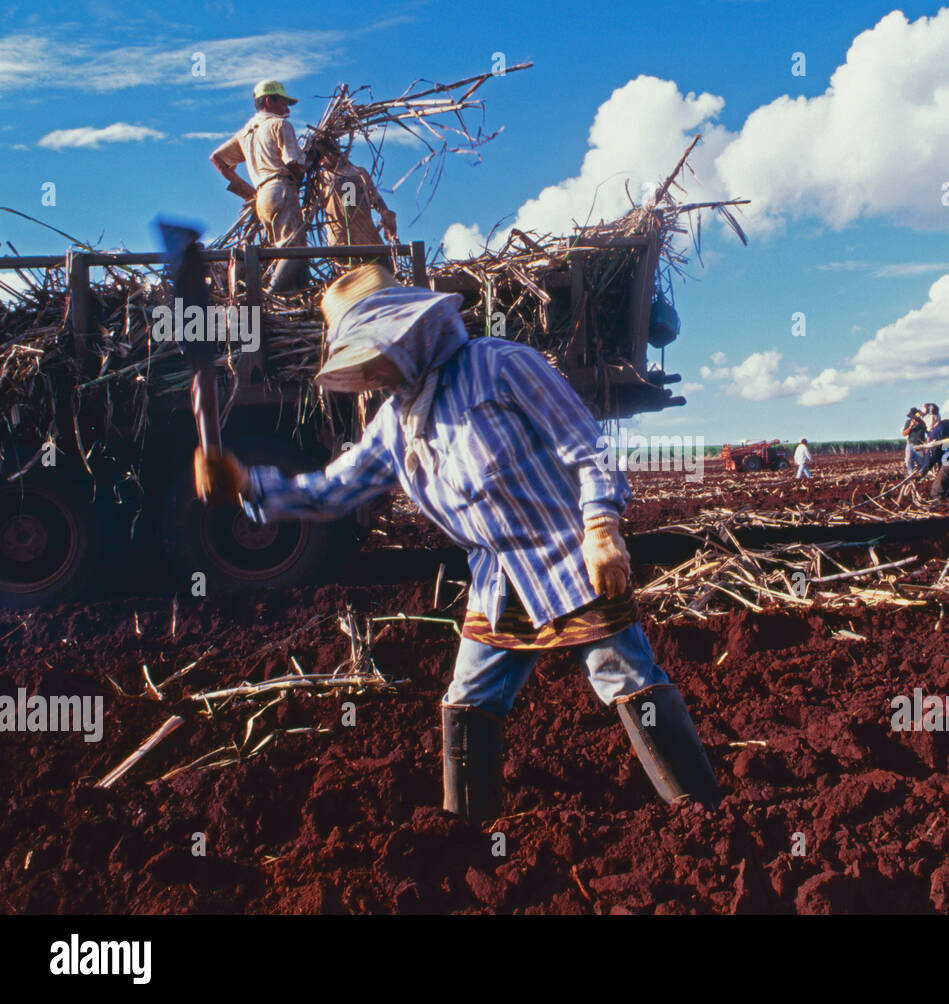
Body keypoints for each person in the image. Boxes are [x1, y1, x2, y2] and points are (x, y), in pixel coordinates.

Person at [193, 265, 720, 821]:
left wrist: (601, 528)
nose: (374, 373)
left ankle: (700, 813)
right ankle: (468, 826)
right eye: (365, 362)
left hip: (572, 559)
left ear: (411, 333)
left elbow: (585, 445)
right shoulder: (396, 423)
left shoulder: (501, 365)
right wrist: (249, 485)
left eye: (379, 353)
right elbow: (335, 489)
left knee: (625, 678)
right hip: (495, 579)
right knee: (470, 697)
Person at [210, 80, 308, 291]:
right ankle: (268, 298)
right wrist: (310, 159)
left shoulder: (246, 133)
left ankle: (297, 296)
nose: (287, 109)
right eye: (284, 102)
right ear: (268, 101)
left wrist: (249, 192)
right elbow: (295, 165)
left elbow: (217, 159)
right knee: (295, 250)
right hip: (281, 189)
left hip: (263, 198)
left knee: (285, 251)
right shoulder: (280, 125)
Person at [316, 138, 398, 262]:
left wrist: (386, 215)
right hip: (341, 241)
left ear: (331, 153)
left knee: (381, 269)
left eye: (323, 157)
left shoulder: (356, 173)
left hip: (362, 237)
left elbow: (375, 199)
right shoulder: (323, 179)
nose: (321, 163)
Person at [917, 403, 949, 500]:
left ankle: (941, 508)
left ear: (932, 418)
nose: (923, 421)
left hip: (948, 464)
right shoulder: (946, 424)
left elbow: (931, 457)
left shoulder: (935, 432)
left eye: (925, 418)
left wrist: (922, 472)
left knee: (936, 491)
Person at [901, 408, 926, 476]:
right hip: (910, 445)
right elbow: (904, 434)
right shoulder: (908, 422)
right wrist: (911, 426)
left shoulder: (922, 423)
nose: (913, 418)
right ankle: (911, 477)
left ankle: (921, 477)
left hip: (919, 446)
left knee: (921, 462)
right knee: (908, 461)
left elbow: (926, 433)